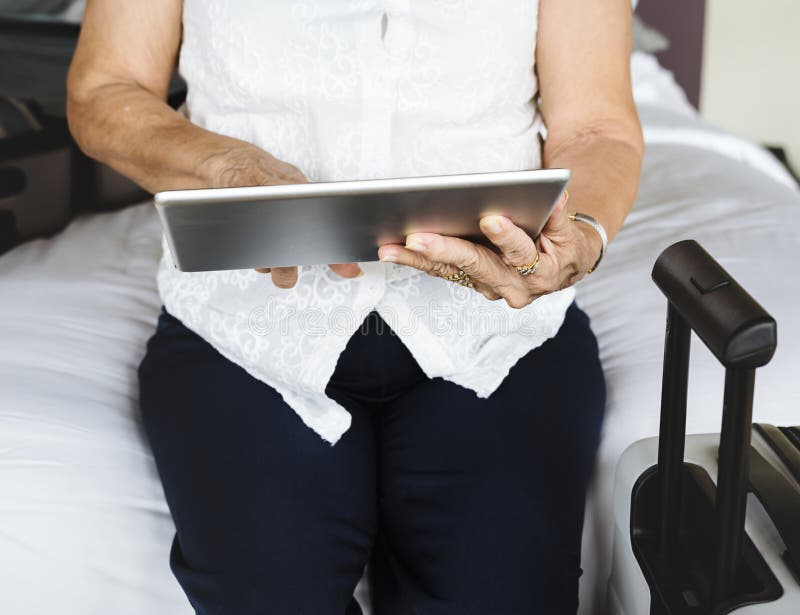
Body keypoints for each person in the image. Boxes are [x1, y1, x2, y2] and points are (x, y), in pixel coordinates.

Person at [67, 0, 643, 612]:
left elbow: (595, 129)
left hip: (499, 330)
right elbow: (105, 88)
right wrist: (223, 167)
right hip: (244, 325)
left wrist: (581, 235)